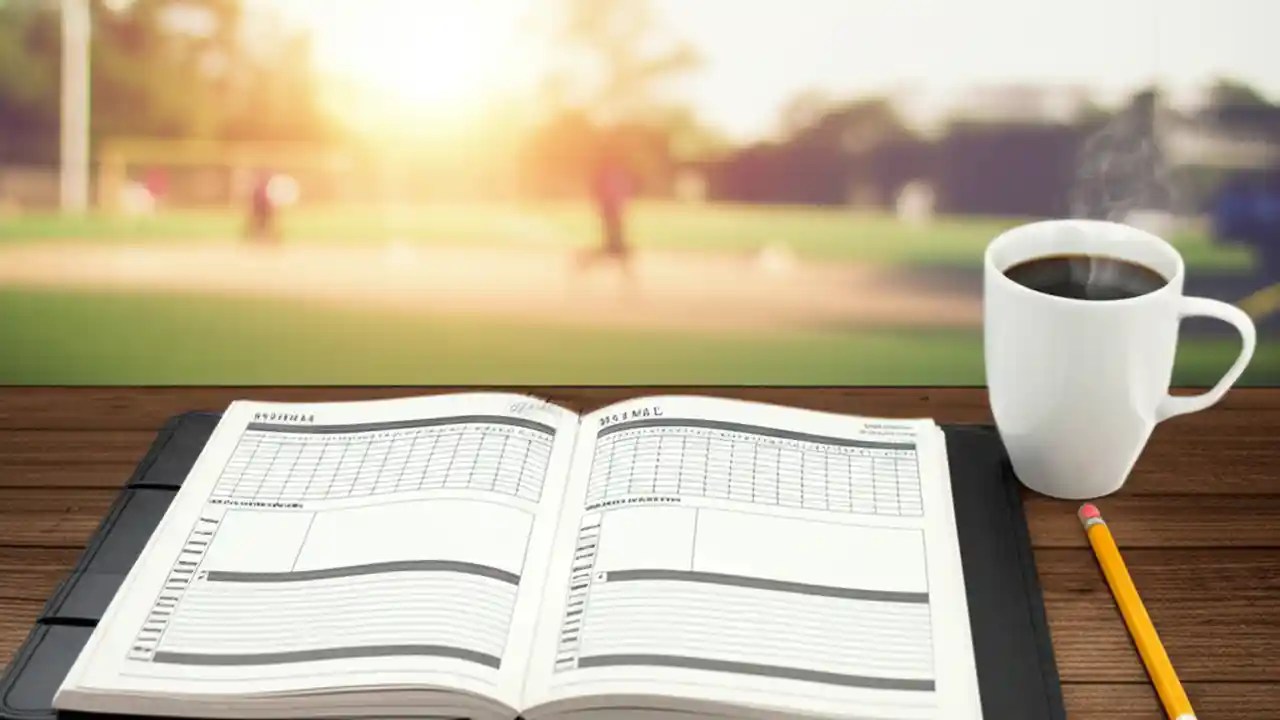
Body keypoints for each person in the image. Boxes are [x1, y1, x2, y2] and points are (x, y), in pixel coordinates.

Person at [577, 147, 634, 278]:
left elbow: (622, 193)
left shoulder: (615, 173)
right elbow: (606, 193)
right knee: (614, 246)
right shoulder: (609, 174)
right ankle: (584, 262)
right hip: (610, 211)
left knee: (614, 245)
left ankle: (584, 262)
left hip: (613, 211)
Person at [245, 169, 279, 244]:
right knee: (256, 226)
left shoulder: (267, 187)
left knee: (266, 226)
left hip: (265, 211)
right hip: (260, 211)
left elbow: (270, 201)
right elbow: (255, 200)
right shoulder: (260, 188)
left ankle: (269, 241)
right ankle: (256, 240)